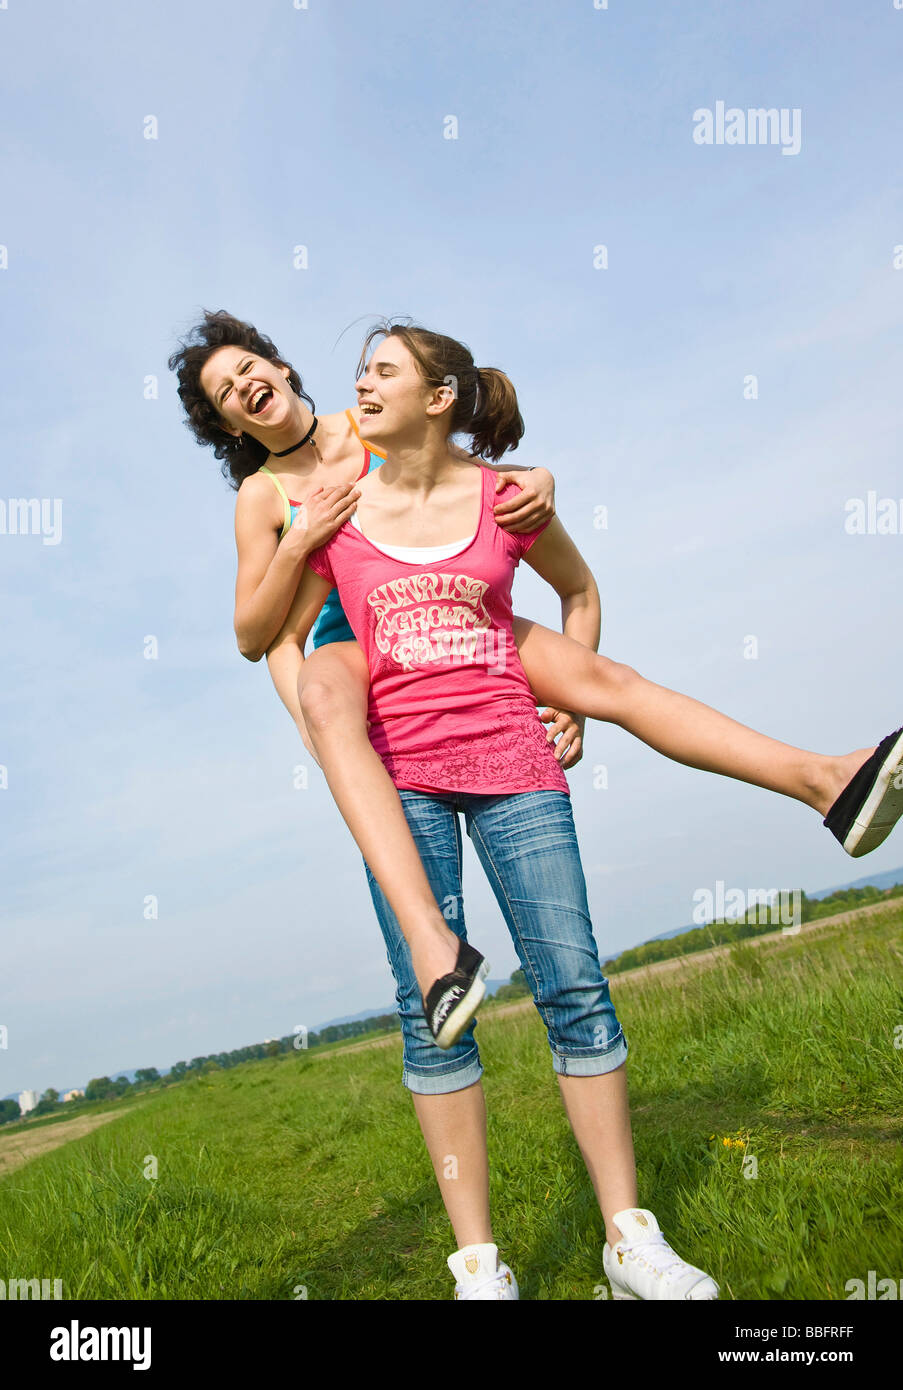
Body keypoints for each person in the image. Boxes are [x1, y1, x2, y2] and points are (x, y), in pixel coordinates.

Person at [169, 310, 568, 1046]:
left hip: (447, 640)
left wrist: (537, 477)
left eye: (248, 368)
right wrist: (300, 542)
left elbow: (472, 476)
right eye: (224, 392)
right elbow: (254, 637)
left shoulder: (372, 421)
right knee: (421, 942)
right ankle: (440, 967)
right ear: (228, 423)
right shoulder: (260, 498)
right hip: (363, 690)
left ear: (280, 368)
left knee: (612, 690)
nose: (244, 386)